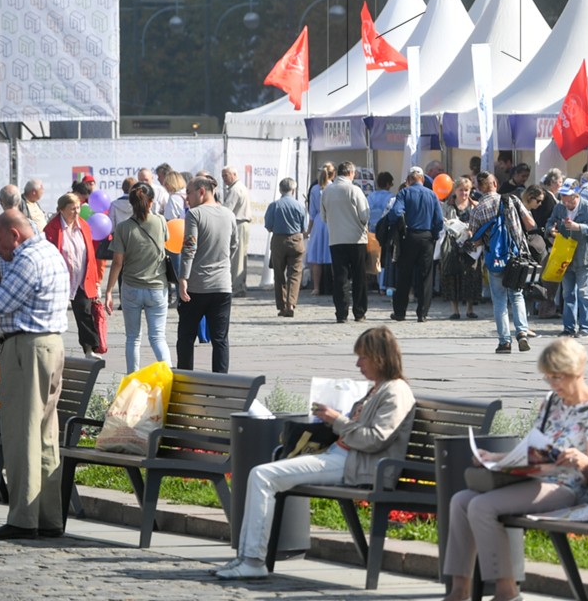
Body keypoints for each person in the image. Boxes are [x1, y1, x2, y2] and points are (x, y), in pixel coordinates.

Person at [213, 326, 417, 580]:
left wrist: (338, 420)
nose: (357, 364)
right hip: (342, 457)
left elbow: (375, 439)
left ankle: (253, 560)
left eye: (363, 357)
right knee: (261, 475)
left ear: (379, 358)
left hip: (357, 465)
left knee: (262, 475)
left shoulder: (396, 391)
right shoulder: (378, 388)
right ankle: (246, 557)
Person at [442, 337, 588, 601]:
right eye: (548, 378)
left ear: (577, 372)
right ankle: (459, 591)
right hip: (536, 477)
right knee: (460, 500)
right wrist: (495, 457)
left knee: (482, 506)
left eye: (558, 377)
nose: (553, 384)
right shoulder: (551, 402)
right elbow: (533, 449)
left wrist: (579, 459)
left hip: (568, 486)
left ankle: (507, 593)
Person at [0, 210, 72, 539]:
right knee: (45, 435)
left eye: (0, 241)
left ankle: (22, 518)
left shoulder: (29, 261)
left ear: (15, 235)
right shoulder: (46, 252)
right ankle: (48, 518)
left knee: (22, 434)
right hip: (49, 346)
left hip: (26, 348)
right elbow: (14, 278)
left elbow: (1, 303)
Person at [103, 183, 172, 373]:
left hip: (131, 287)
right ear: (151, 201)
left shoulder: (123, 228)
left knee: (133, 338)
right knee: (158, 337)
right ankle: (170, 377)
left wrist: (109, 291)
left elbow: (117, 263)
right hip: (157, 287)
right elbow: (165, 245)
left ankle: (132, 379)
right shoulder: (160, 222)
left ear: (131, 203)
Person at [177, 174, 238, 373]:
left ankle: (185, 382)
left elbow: (189, 247)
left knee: (186, 337)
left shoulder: (195, 214)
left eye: (189, 193)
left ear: (201, 192)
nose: (187, 198)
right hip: (222, 286)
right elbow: (234, 245)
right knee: (220, 339)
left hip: (197, 285)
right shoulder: (229, 214)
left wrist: (183, 277)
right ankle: (221, 385)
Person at [476, 183, 538, 354]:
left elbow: (474, 238)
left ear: (480, 187)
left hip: (495, 259)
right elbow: (531, 224)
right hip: (516, 257)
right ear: (495, 185)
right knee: (517, 295)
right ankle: (522, 333)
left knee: (499, 301)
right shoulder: (513, 200)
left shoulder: (480, 206)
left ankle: (504, 342)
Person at [43, 193, 104, 357]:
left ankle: (89, 350)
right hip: (60, 282)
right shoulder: (51, 229)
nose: (76, 212)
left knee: (84, 313)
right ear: (61, 210)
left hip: (81, 279)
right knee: (54, 315)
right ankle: (50, 349)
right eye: (72, 209)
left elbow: (90, 255)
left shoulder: (83, 225)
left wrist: (96, 281)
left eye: (78, 208)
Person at [545, 182, 588, 338]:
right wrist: (550, 230)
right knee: (568, 294)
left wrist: (579, 227)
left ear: (577, 195)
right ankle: (569, 328)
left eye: (569, 200)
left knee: (584, 294)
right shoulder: (559, 207)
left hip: (584, 258)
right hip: (565, 257)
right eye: (564, 199)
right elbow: (550, 221)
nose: (566, 203)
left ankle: (585, 328)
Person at [390, 167, 444, 322]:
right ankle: (423, 313)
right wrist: (433, 234)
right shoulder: (432, 195)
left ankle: (400, 312)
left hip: (409, 236)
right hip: (427, 237)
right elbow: (439, 220)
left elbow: (395, 212)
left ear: (409, 179)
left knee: (404, 276)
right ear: (422, 179)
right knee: (425, 277)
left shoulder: (404, 193)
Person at [323, 162, 371, 323]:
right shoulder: (354, 190)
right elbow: (365, 216)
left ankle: (341, 313)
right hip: (356, 239)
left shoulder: (327, 191)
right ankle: (359, 311)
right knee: (359, 276)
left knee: (340, 277)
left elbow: (323, 217)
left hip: (336, 238)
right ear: (351, 173)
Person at [263, 177, 308, 318]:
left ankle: (282, 306)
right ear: (293, 190)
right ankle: (291, 303)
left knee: (279, 274)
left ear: (280, 190)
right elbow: (304, 227)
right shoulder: (299, 206)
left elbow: (268, 226)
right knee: (295, 274)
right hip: (295, 239)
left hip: (278, 241)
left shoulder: (274, 206)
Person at [438, 182, 481, 321]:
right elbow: (441, 222)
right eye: (461, 190)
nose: (464, 193)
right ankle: (455, 310)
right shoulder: (447, 205)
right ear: (455, 190)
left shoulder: (475, 205)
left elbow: (481, 223)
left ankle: (470, 308)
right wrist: (449, 224)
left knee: (471, 275)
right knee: (452, 275)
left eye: (467, 190)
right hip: (452, 244)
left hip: (471, 244)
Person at [219, 166, 253, 295]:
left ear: (233, 174)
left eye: (225, 176)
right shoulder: (239, 187)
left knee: (237, 258)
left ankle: (237, 286)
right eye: (222, 176)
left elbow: (227, 210)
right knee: (241, 257)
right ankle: (240, 285)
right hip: (241, 224)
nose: (224, 179)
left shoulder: (235, 189)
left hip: (239, 223)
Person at [306, 163, 335, 296]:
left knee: (317, 257)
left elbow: (312, 212)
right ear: (333, 174)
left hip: (318, 222)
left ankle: (316, 287)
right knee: (332, 255)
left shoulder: (314, 189)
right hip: (331, 222)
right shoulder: (334, 188)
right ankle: (332, 286)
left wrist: (309, 230)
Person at [365, 170, 397, 293]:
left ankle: (378, 283)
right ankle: (383, 285)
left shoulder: (371, 196)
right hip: (386, 230)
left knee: (375, 257)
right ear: (388, 184)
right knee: (385, 258)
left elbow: (366, 212)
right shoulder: (392, 197)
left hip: (372, 229)